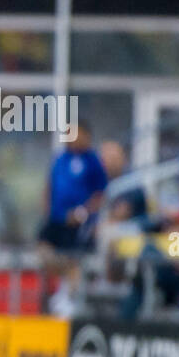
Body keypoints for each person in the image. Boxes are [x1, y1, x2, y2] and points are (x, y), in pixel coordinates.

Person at [38, 120, 107, 316]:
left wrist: (83, 213)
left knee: (76, 256)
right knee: (43, 250)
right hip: (57, 219)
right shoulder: (60, 159)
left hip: (79, 222)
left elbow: (100, 194)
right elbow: (49, 186)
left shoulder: (92, 162)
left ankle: (70, 296)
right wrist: (47, 209)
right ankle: (66, 281)